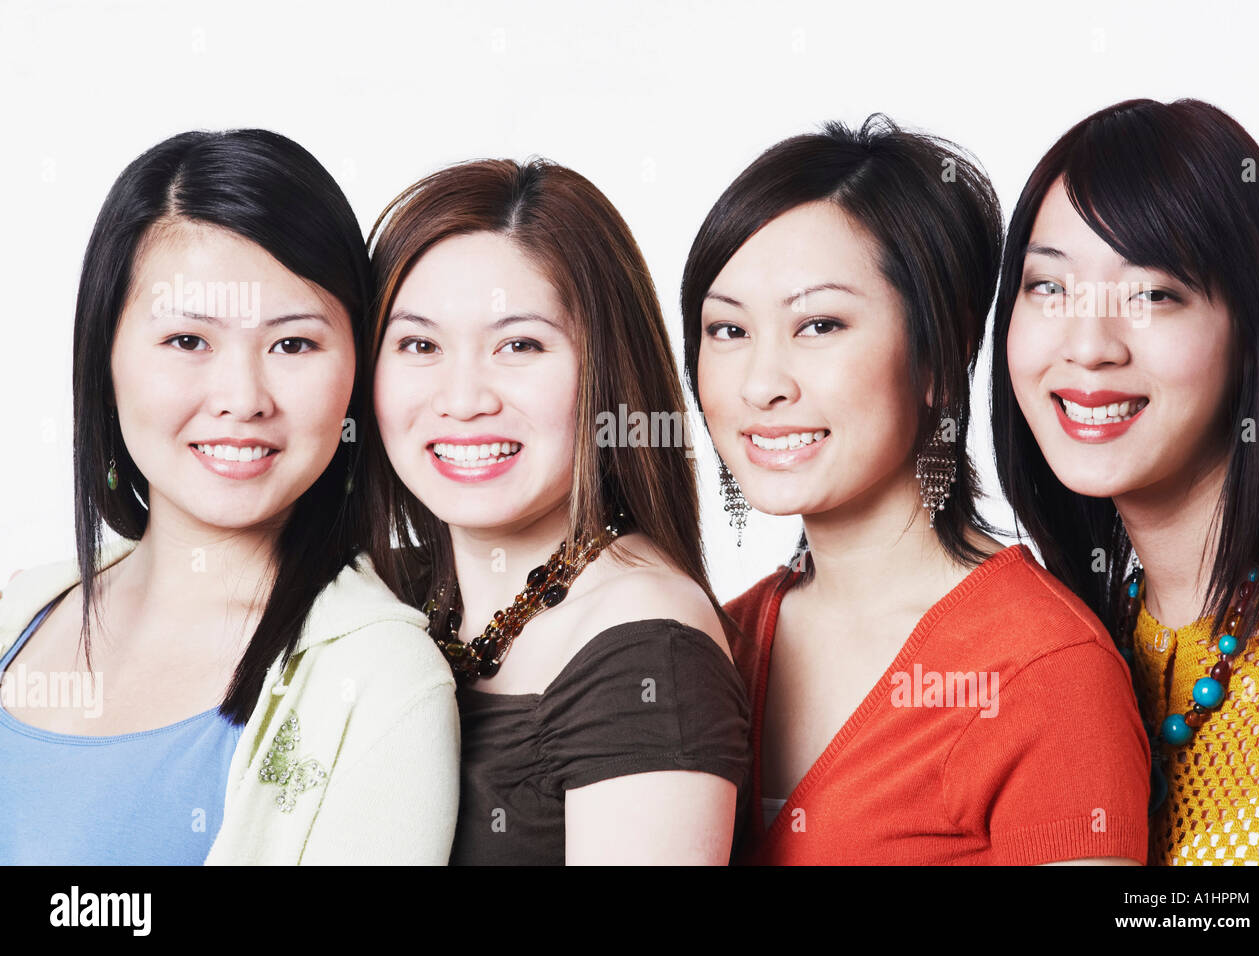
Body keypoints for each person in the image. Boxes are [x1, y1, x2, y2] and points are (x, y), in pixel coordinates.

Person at [683, 116, 1149, 864]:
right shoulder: (707, 646)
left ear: (937, 354)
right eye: (727, 331)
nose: (761, 384)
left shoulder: (1044, 671)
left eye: (820, 324)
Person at [0, 129, 458, 865]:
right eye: (187, 341)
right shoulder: (23, 611)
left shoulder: (379, 680)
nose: (243, 399)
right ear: (103, 355)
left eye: (293, 345)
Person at [365, 157, 750, 865]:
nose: (463, 398)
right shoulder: (378, 597)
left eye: (519, 345)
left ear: (606, 367)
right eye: (419, 344)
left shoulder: (647, 652)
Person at [992, 98, 1259, 865]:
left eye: (1154, 294)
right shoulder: (1066, 641)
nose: (1089, 346)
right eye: (1049, 288)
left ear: (1257, 327)